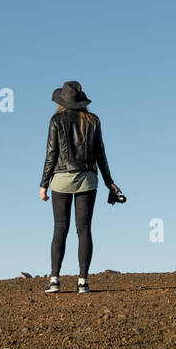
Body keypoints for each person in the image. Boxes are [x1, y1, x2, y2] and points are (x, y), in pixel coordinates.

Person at [39, 81, 121, 294]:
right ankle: (83, 282)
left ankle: (55, 280)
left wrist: (43, 184)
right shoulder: (93, 120)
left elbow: (51, 154)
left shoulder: (56, 120)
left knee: (60, 228)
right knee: (84, 230)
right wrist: (108, 181)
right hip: (87, 179)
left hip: (61, 180)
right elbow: (100, 154)